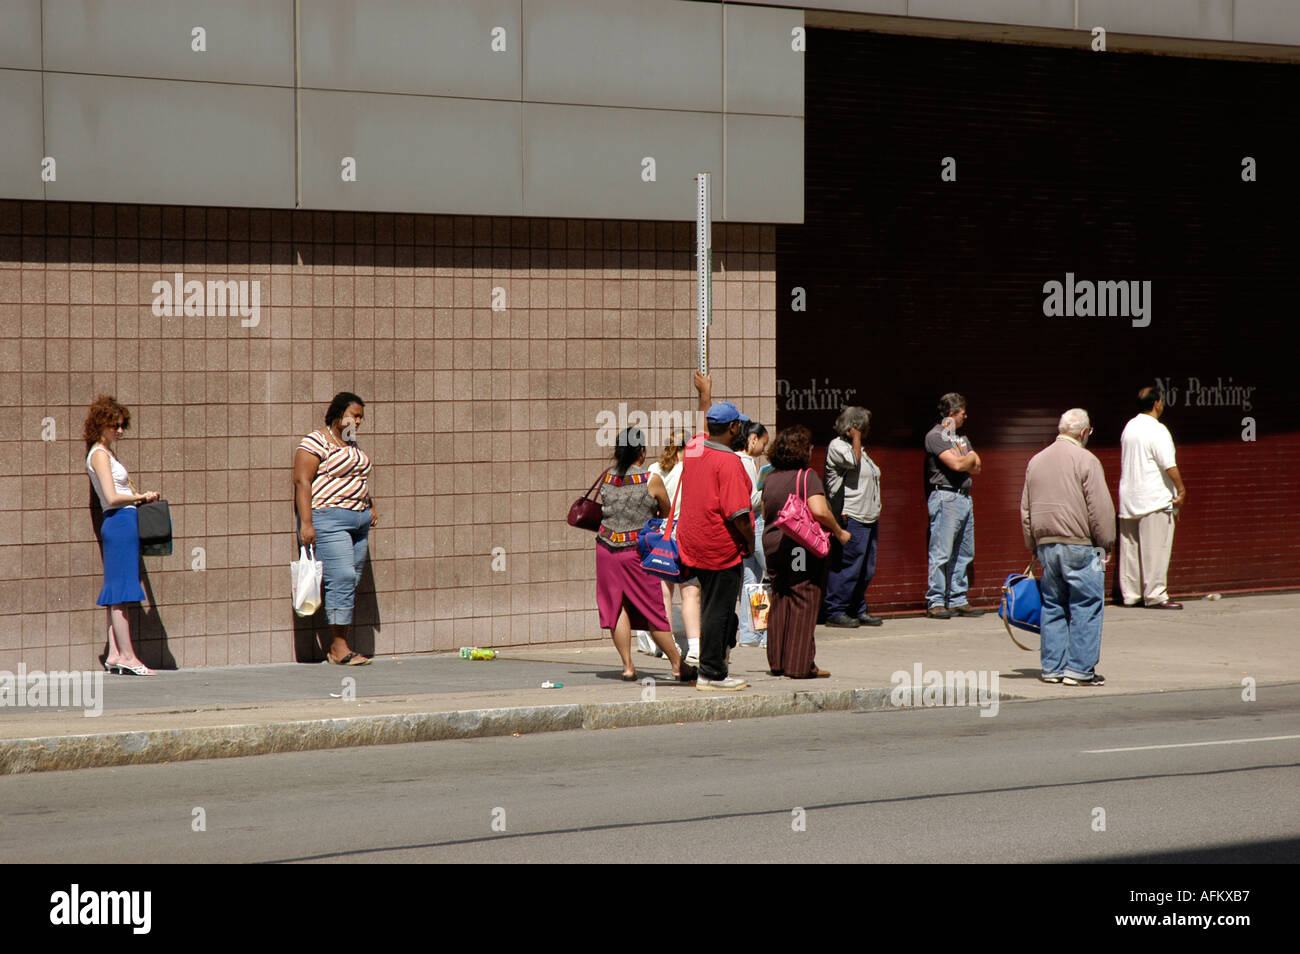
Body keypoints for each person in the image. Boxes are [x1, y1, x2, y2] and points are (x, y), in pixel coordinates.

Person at [1021, 409, 1116, 686]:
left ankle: (1052, 668)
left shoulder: (1036, 461)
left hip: (1047, 546)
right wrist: (1105, 545)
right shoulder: (1087, 460)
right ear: (1084, 433)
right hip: (1080, 545)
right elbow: (1100, 509)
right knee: (1087, 604)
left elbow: (1026, 509)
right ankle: (1079, 670)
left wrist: (1033, 545)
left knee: (1052, 605)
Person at [595, 428, 695, 681]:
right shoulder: (649, 479)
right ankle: (677, 665)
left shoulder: (606, 477)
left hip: (606, 549)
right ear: (641, 451)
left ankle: (628, 667)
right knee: (653, 609)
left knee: (618, 608)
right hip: (636, 552)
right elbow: (667, 511)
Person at [676, 372, 754, 691]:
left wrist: (705, 395)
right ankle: (711, 673)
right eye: (738, 424)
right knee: (718, 612)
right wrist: (748, 543)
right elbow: (738, 515)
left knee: (712, 608)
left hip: (693, 545)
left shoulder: (695, 448)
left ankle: (713, 664)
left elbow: (703, 429)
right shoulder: (730, 463)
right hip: (720, 549)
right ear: (734, 428)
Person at [762, 425, 852, 678]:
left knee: (780, 598)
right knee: (803, 597)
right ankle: (799, 665)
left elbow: (764, 512)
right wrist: (839, 531)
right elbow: (820, 510)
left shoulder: (770, 478)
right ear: (802, 450)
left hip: (773, 545)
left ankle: (778, 662)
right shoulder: (807, 476)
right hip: (798, 549)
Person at [295, 392, 377, 665]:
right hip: (329, 519)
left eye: (361, 417)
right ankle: (338, 648)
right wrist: (306, 523)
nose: (359, 421)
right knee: (340, 577)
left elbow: (357, 476)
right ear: (339, 414)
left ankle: (341, 644)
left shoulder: (351, 443)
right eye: (355, 415)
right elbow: (302, 482)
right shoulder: (316, 441)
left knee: (350, 580)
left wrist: (370, 505)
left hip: (359, 519)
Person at [84, 396, 162, 675]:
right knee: (121, 592)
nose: (119, 430)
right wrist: (140, 496)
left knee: (117, 590)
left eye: (122, 425)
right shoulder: (100, 455)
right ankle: (128, 656)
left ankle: (115, 655)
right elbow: (112, 496)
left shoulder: (106, 452)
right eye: (114, 425)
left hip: (122, 522)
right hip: (118, 522)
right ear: (100, 424)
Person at [1118, 386, 1187, 609]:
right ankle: (1156, 595)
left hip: (1129, 497)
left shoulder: (1129, 427)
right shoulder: (1158, 430)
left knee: (1131, 549)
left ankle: (1131, 594)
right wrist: (1181, 488)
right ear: (1157, 403)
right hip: (1153, 498)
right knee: (1156, 549)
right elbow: (1169, 464)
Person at [923, 393, 984, 618]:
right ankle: (936, 601)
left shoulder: (961, 438)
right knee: (941, 551)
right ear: (951, 414)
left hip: (965, 497)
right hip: (946, 498)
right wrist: (969, 458)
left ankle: (957, 598)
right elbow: (959, 464)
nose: (965, 416)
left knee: (964, 551)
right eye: (962, 413)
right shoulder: (935, 436)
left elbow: (977, 467)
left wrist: (968, 460)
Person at [822, 406, 883, 627]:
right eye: (862, 427)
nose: (866, 430)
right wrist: (855, 436)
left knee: (866, 568)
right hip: (852, 516)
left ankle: (857, 608)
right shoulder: (838, 446)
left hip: (868, 517)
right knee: (848, 566)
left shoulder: (858, 448)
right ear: (853, 427)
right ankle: (835, 610)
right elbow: (853, 462)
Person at [647, 431, 701, 661]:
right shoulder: (693, 470)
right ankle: (695, 649)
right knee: (690, 594)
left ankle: (665, 646)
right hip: (687, 535)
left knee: (664, 594)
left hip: (661, 536)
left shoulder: (654, 469)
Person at [734, 421, 770, 647]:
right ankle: (766, 634)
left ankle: (750, 634)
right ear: (753, 439)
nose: (764, 449)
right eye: (763, 443)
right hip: (753, 525)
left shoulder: (735, 460)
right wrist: (767, 487)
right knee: (769, 577)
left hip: (743, 528)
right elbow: (749, 501)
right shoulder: (746, 462)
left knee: (752, 581)